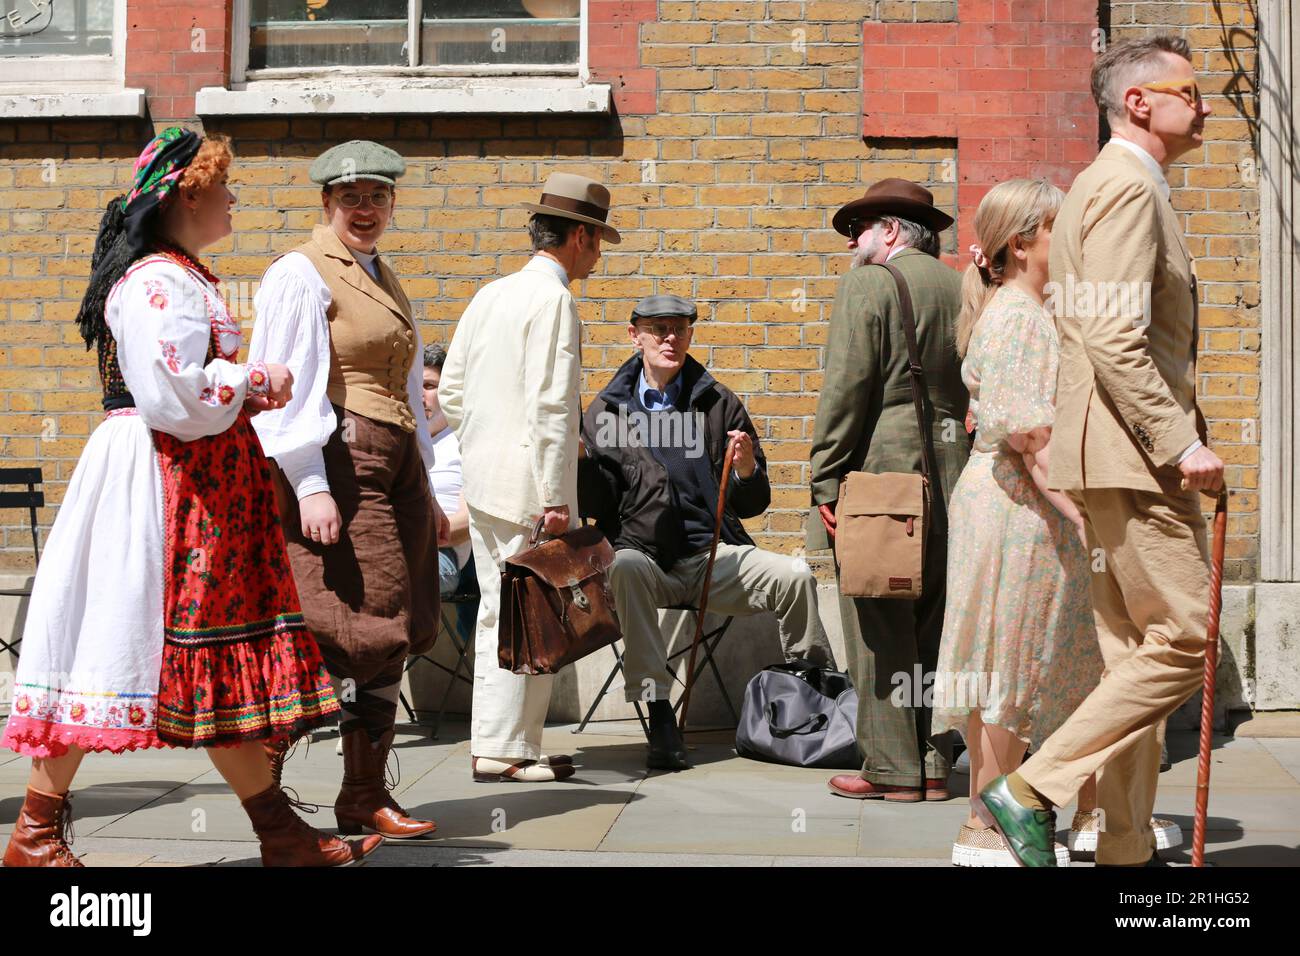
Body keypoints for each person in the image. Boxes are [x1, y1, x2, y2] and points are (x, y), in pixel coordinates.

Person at [1, 128, 379, 867]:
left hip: (189, 479)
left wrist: (239, 389)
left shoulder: (178, 275)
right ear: (188, 194)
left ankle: (277, 836)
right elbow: (172, 398)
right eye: (224, 187)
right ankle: (37, 835)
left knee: (198, 654)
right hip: (162, 486)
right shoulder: (157, 283)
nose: (235, 198)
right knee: (144, 647)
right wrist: (253, 381)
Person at [980, 35, 1222, 867]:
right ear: (1140, 103)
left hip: (1109, 458)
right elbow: (1114, 336)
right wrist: (1179, 440)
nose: (1208, 104)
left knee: (1132, 668)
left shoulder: (1106, 184)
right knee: (1189, 638)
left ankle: (1123, 850)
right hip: (1135, 460)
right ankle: (1032, 787)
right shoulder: (1124, 186)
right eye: (1192, 89)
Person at [248, 140, 448, 841]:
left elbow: (411, 391)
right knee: (350, 624)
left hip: (396, 466)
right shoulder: (300, 275)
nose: (366, 210)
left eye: (378, 198)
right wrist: (309, 484)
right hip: (341, 460)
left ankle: (362, 796)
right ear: (326, 203)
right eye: (352, 198)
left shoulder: (384, 276)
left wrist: (430, 483)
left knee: (402, 620)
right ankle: (263, 791)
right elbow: (284, 386)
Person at [579, 294, 836, 770]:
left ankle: (818, 692)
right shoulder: (604, 413)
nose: (670, 337)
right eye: (658, 328)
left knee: (796, 575)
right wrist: (580, 462)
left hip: (712, 556)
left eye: (680, 327)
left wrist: (744, 470)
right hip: (645, 557)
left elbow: (755, 504)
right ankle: (658, 710)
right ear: (634, 336)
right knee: (627, 567)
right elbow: (595, 505)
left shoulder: (718, 403)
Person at [932, 178, 1102, 866]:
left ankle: (1000, 820)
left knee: (1012, 662)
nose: (1072, 242)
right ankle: (991, 825)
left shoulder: (1022, 309)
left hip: (1007, 504)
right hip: (1016, 511)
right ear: (1024, 241)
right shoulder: (1021, 318)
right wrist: (1084, 517)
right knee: (1009, 663)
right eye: (1060, 227)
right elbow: (1033, 440)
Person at [439, 172, 617, 783]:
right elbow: (551, 405)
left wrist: (484, 446)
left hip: (487, 480)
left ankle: (501, 746)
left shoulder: (492, 293)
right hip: (528, 491)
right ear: (577, 236)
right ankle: (508, 750)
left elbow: (454, 391)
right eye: (596, 240)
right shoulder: (554, 299)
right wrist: (551, 495)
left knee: (500, 610)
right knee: (534, 614)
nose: (597, 254)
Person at [809, 179, 971, 803]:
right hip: (956, 474)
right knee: (932, 620)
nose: (853, 242)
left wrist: (826, 474)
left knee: (876, 616)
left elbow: (846, 390)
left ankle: (890, 768)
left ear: (894, 231)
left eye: (861, 229)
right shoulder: (964, 288)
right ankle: (932, 763)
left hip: (887, 474)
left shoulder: (868, 284)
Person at [422, 342, 477, 647]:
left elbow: (467, 523)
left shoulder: (464, 442)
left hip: (441, 558)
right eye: (413, 386)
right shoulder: (400, 442)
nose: (419, 395)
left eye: (429, 386)